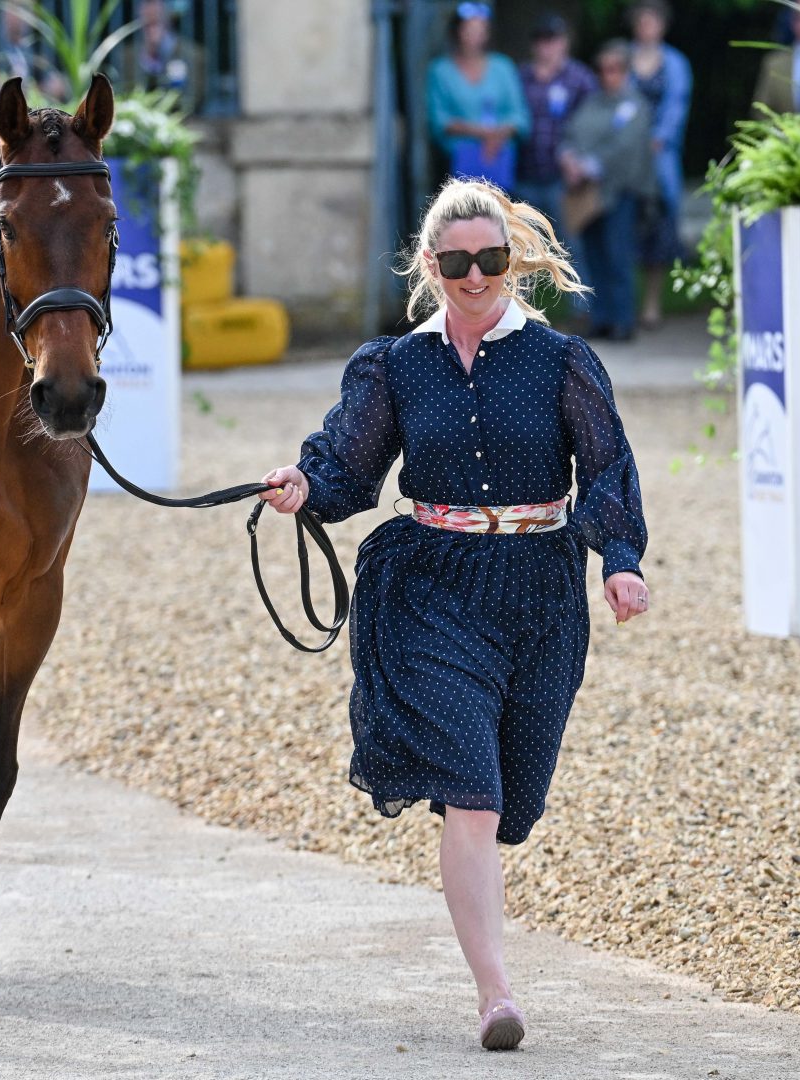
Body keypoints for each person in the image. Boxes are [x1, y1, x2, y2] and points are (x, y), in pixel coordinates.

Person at [256, 177, 650, 1051]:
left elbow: (608, 469)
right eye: (459, 262)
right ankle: (495, 995)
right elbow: (350, 468)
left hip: (542, 591)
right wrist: (305, 484)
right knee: (470, 798)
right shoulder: (394, 366)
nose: (477, 277)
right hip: (429, 590)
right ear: (431, 267)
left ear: (512, 260)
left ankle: (491, 961)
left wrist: (619, 562)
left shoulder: (561, 361)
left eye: (492, 259)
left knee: (513, 797)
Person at [562, 41, 656, 340]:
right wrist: (569, 159)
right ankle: (600, 319)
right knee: (594, 255)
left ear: (626, 71)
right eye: (601, 69)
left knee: (617, 256)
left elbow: (626, 147)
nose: (607, 75)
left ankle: (623, 320)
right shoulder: (591, 103)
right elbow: (571, 134)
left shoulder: (636, 105)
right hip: (587, 195)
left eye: (614, 69)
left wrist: (588, 165)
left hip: (620, 193)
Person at [626, 1, 690, 329]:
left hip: (659, 158)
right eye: (642, 22)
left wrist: (658, 138)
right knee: (627, 229)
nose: (647, 28)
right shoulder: (624, 58)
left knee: (660, 229)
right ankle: (628, 302)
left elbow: (676, 106)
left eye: (653, 22)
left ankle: (652, 303)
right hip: (627, 158)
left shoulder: (675, 62)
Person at [427, 2, 530, 192]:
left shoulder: (503, 67)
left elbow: (520, 117)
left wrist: (497, 135)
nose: (474, 35)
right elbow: (439, 121)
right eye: (469, 28)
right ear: (457, 31)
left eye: (480, 29)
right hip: (457, 166)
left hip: (498, 162)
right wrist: (482, 134)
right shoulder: (441, 70)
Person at [515, 14, 596, 253]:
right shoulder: (520, 77)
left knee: (571, 248)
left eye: (551, 39)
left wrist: (580, 160)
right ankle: (514, 292)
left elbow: (594, 125)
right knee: (518, 248)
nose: (546, 46)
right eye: (541, 39)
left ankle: (580, 292)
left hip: (563, 179)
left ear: (564, 42)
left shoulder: (580, 78)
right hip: (523, 176)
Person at [114, 0, 206, 113]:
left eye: (158, 3)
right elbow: (122, 95)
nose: (152, 9)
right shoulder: (126, 56)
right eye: (147, 3)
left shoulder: (194, 55)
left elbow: (194, 100)